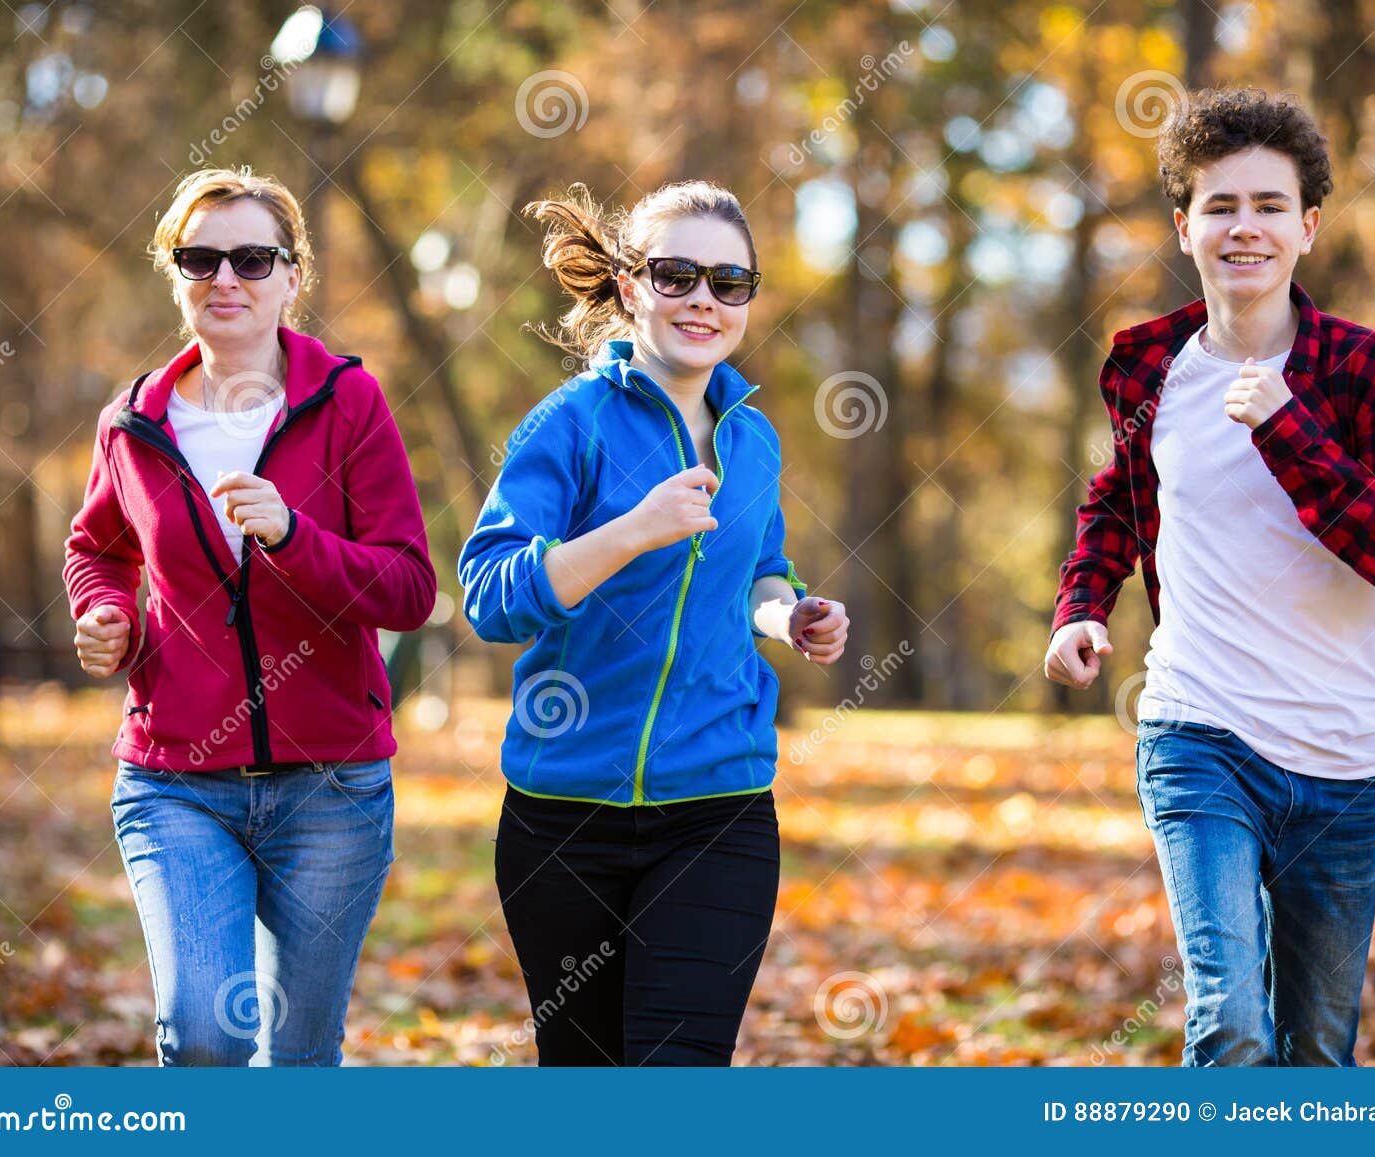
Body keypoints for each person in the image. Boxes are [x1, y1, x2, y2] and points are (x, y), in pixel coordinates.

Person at [1044, 89, 1375, 1066]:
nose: (1246, 228)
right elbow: (1119, 498)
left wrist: (1287, 431)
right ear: (1184, 224)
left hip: (1343, 756)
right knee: (1229, 1023)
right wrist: (1080, 606)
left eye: (1269, 205)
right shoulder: (1146, 367)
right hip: (1198, 734)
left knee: (1316, 1049)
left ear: (1306, 226)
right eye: (1221, 205)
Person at [459, 180, 848, 1065]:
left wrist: (792, 617)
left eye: (728, 282)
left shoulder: (754, 436)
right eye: (675, 275)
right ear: (631, 286)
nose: (702, 299)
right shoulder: (567, 425)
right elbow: (489, 595)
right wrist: (632, 531)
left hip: (720, 802)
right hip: (563, 815)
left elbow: (759, 573)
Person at [63, 166, 437, 1065]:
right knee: (203, 1034)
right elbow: (97, 547)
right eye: (200, 258)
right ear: (176, 274)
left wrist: (293, 536)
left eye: (251, 257)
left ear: (290, 277)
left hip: (333, 789)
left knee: (300, 1054)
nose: (224, 277)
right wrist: (105, 609)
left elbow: (408, 588)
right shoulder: (132, 423)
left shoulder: (349, 402)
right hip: (176, 781)